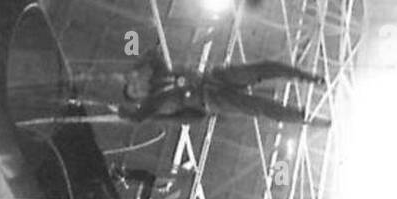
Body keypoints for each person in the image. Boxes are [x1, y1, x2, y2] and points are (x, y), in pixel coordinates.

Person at [120, 51, 329, 127]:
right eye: (136, 93)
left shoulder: (158, 75)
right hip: (211, 100)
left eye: (134, 86)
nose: (138, 88)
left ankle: (306, 76)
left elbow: (152, 55)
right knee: (259, 106)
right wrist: (125, 114)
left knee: (263, 68)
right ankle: (303, 117)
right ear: (140, 98)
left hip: (214, 77)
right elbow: (140, 118)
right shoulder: (153, 105)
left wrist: (136, 68)